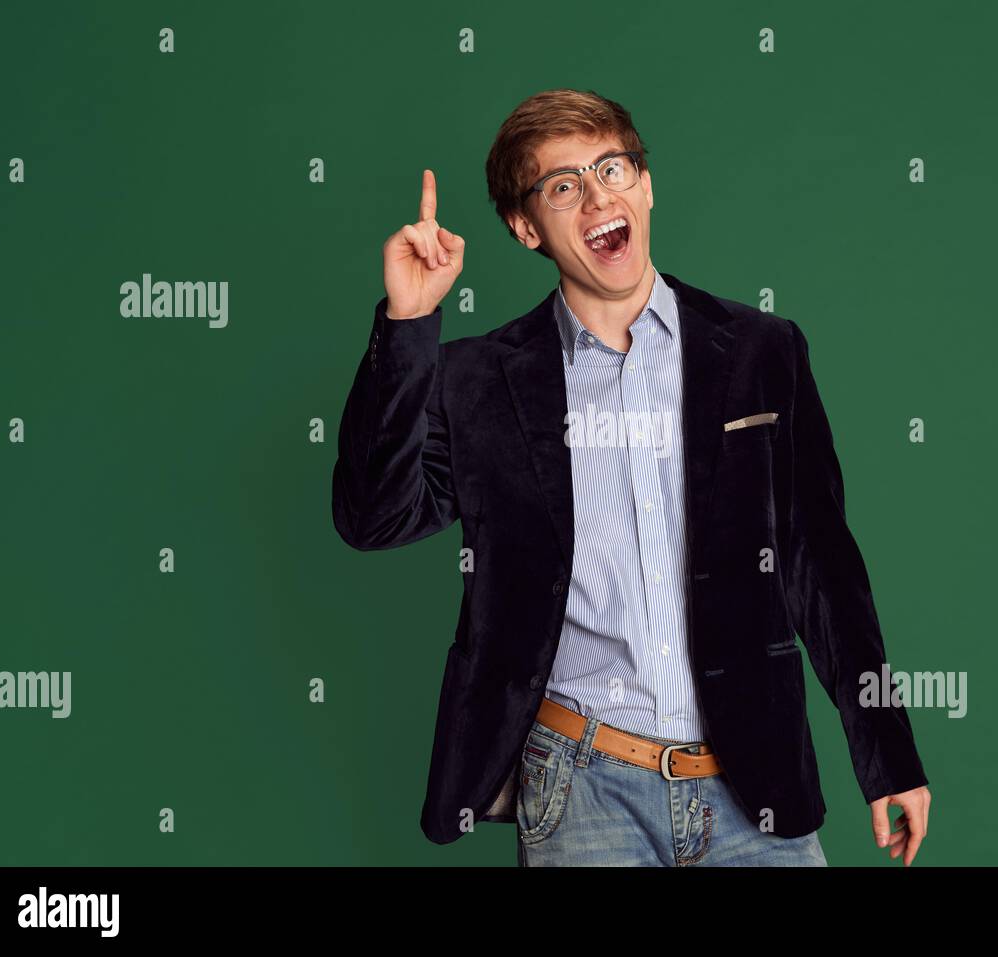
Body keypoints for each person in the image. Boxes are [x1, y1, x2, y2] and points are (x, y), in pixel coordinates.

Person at [332, 88, 931, 866]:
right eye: (562, 185)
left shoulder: (761, 351)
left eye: (611, 168)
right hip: (581, 787)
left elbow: (821, 562)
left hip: (755, 782)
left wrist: (888, 753)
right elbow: (374, 518)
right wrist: (408, 324)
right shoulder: (480, 380)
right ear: (525, 227)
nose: (597, 196)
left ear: (645, 184)